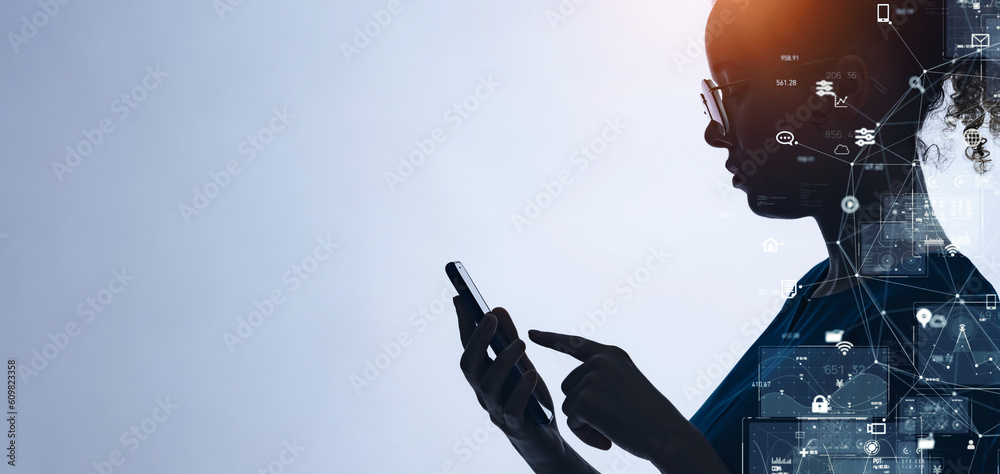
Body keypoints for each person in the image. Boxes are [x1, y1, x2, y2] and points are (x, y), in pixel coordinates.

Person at [453, 1, 1000, 472]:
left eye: (730, 93)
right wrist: (541, 445)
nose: (715, 131)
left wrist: (668, 441)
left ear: (844, 90)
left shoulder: (955, 323)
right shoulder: (812, 301)